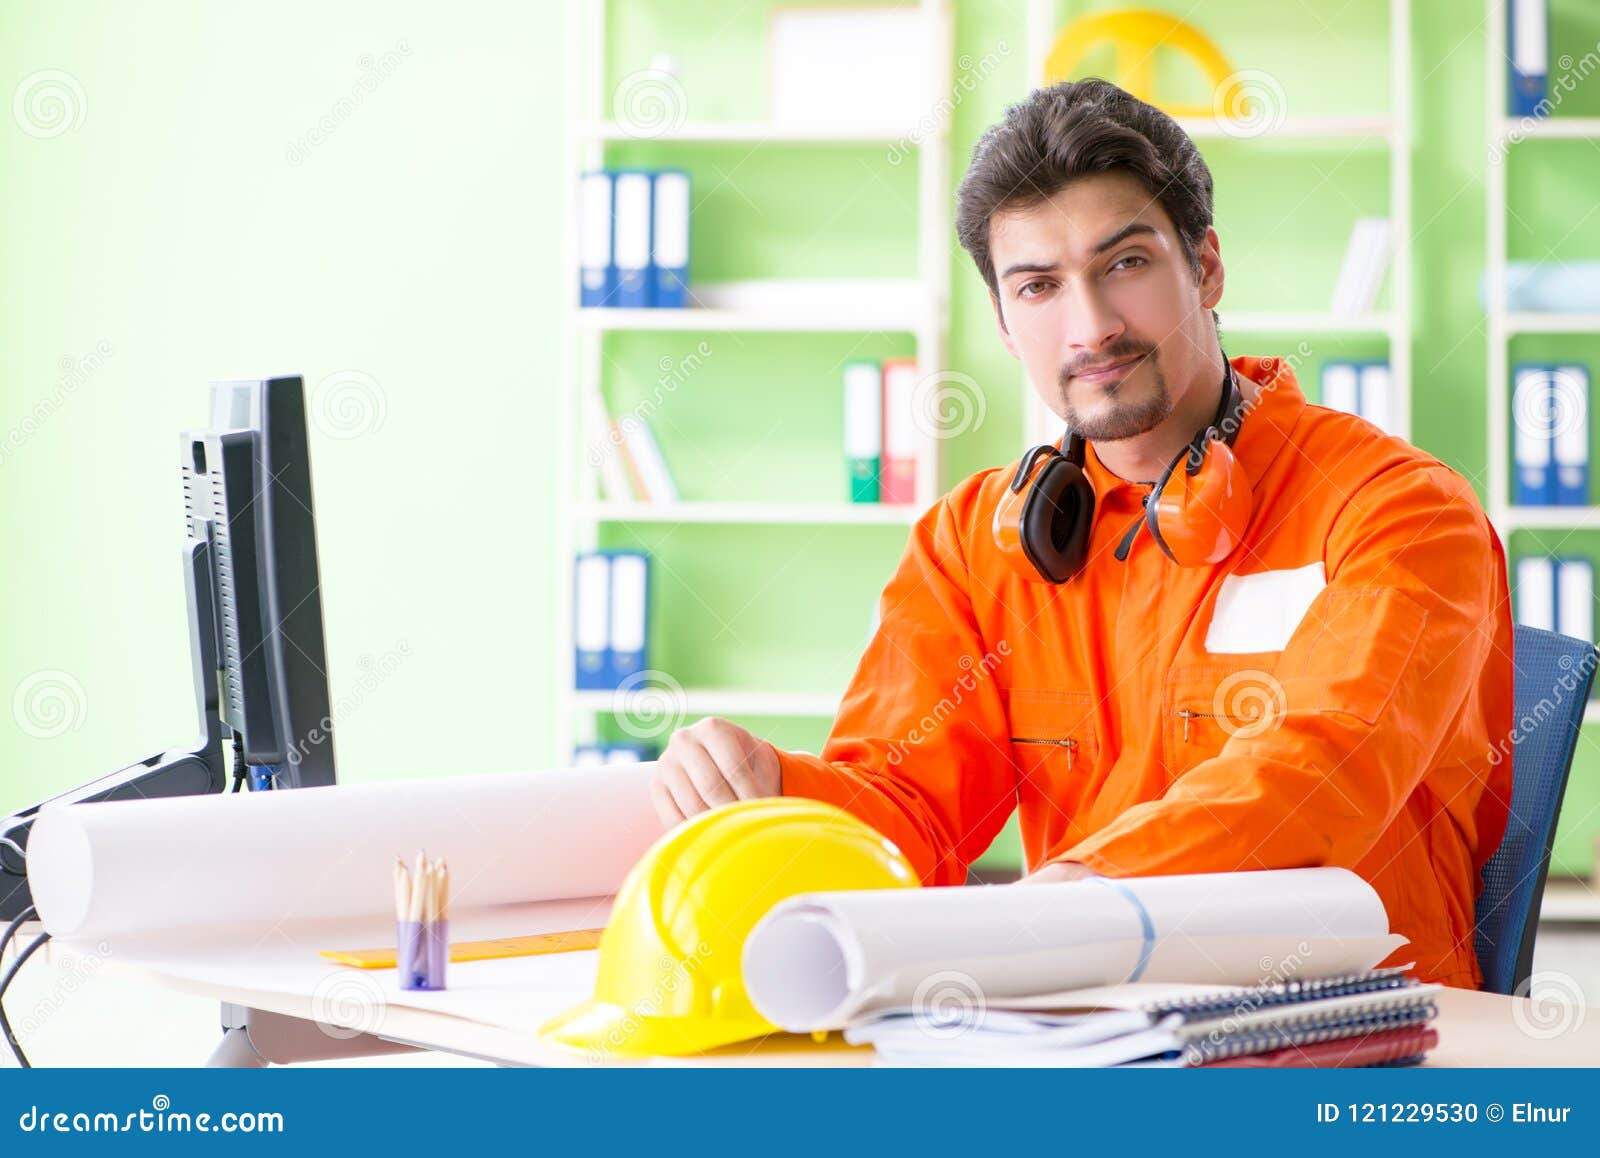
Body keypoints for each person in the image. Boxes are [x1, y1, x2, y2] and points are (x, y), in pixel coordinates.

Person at [648, 78, 1513, 989]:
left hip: (1350, 1039)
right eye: (1038, 286)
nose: (1091, 326)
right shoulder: (972, 542)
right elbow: (911, 815)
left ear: (1206, 266)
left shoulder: (1397, 510)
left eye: (1126, 264)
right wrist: (774, 790)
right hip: (1085, 1023)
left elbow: (1324, 770)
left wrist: (1071, 897)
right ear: (1004, 321)